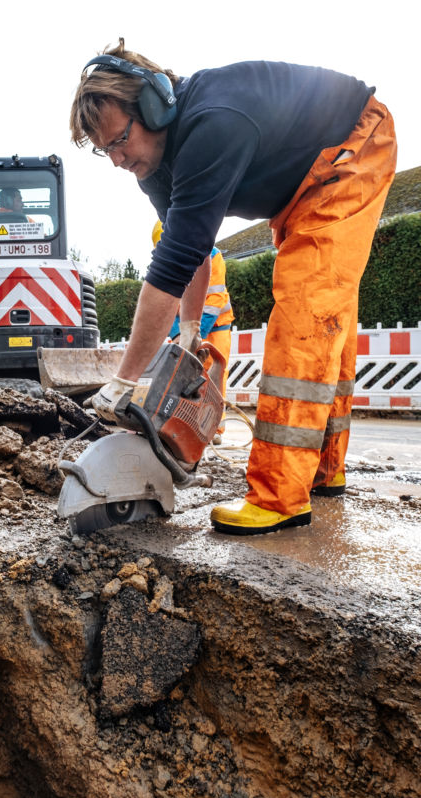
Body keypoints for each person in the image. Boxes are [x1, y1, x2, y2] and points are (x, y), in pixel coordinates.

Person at [70, 40, 396, 535]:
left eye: (119, 141)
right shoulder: (154, 167)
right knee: (328, 322)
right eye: (104, 150)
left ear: (153, 106)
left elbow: (170, 265)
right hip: (302, 189)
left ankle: (279, 497)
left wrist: (125, 379)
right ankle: (324, 469)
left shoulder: (213, 121)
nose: (116, 159)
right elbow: (193, 249)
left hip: (352, 150)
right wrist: (188, 331)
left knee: (305, 318)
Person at [153, 221, 234, 441]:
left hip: (216, 327)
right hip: (189, 329)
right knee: (189, 378)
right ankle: (191, 426)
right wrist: (177, 335)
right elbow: (168, 304)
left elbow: (214, 302)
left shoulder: (213, 257)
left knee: (214, 376)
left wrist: (197, 334)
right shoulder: (168, 266)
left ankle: (214, 430)